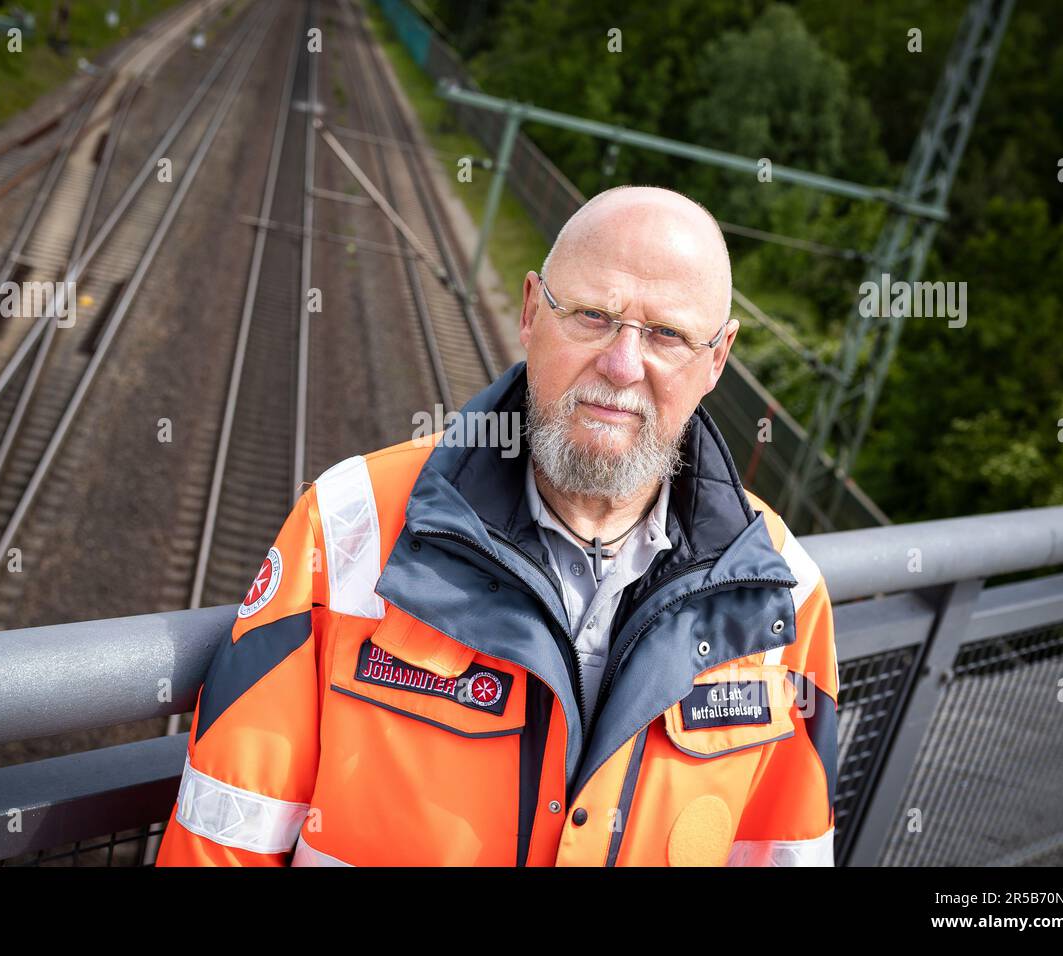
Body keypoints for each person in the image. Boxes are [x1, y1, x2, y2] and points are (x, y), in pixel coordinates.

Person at [155, 185, 838, 866]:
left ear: (716, 358)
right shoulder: (349, 525)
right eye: (593, 315)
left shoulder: (783, 591)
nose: (623, 365)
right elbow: (226, 837)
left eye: (666, 334)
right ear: (532, 311)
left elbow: (788, 853)